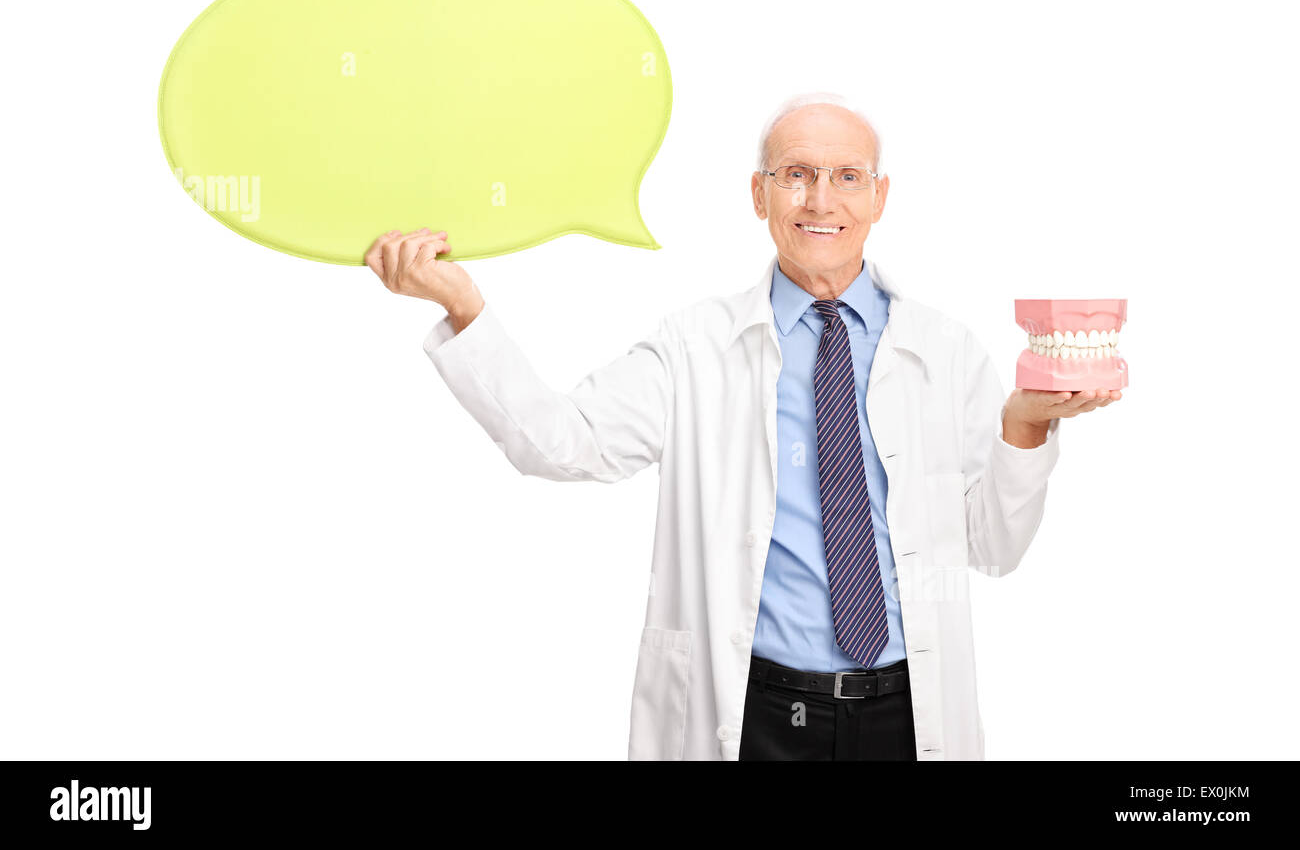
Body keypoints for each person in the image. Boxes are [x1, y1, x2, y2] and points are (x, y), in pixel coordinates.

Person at [365, 92, 1121, 760]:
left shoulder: (946, 351)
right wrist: (463, 305)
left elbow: (993, 548)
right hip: (756, 715)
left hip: (908, 712)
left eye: (846, 176)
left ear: (880, 196)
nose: (820, 199)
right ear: (759, 195)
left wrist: (1022, 427)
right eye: (796, 174)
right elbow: (562, 445)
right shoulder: (695, 346)